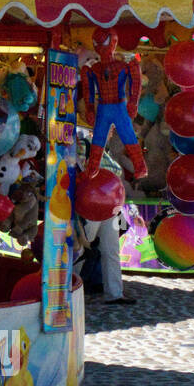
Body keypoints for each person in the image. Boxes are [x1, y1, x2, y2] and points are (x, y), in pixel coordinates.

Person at [74, 129, 135, 305]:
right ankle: (69, 289)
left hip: (111, 209)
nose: (111, 132)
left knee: (111, 249)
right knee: (80, 249)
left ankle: (115, 293)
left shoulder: (105, 152)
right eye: (108, 128)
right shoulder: (83, 146)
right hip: (91, 205)